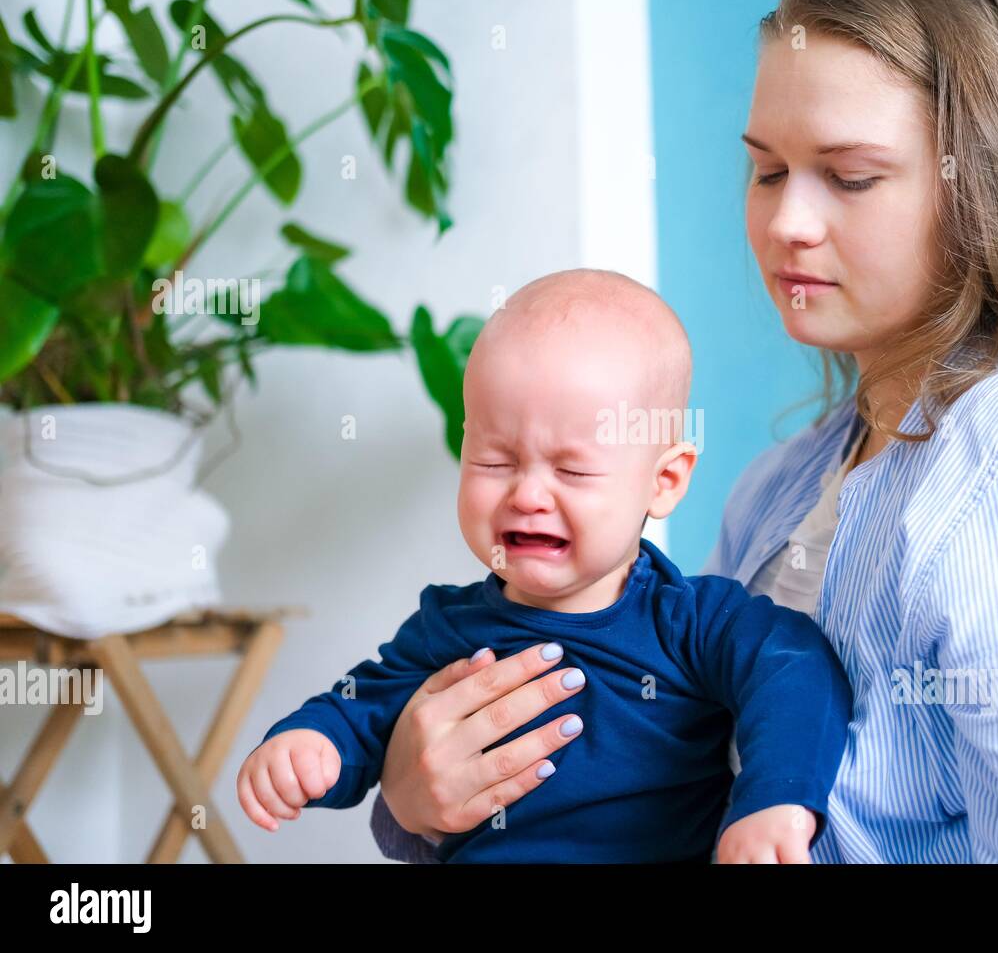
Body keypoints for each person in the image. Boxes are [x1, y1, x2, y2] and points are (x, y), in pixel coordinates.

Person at [369, 0, 998, 862]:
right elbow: (641, 793)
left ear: (982, 189)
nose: (787, 222)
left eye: (850, 177)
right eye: (767, 170)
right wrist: (414, 806)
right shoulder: (782, 489)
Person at [236, 269, 852, 863]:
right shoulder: (446, 629)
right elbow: (361, 707)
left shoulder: (694, 622)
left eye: (572, 470)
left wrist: (776, 800)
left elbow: (795, 669)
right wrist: (310, 743)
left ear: (662, 481)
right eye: (495, 461)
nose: (527, 494)